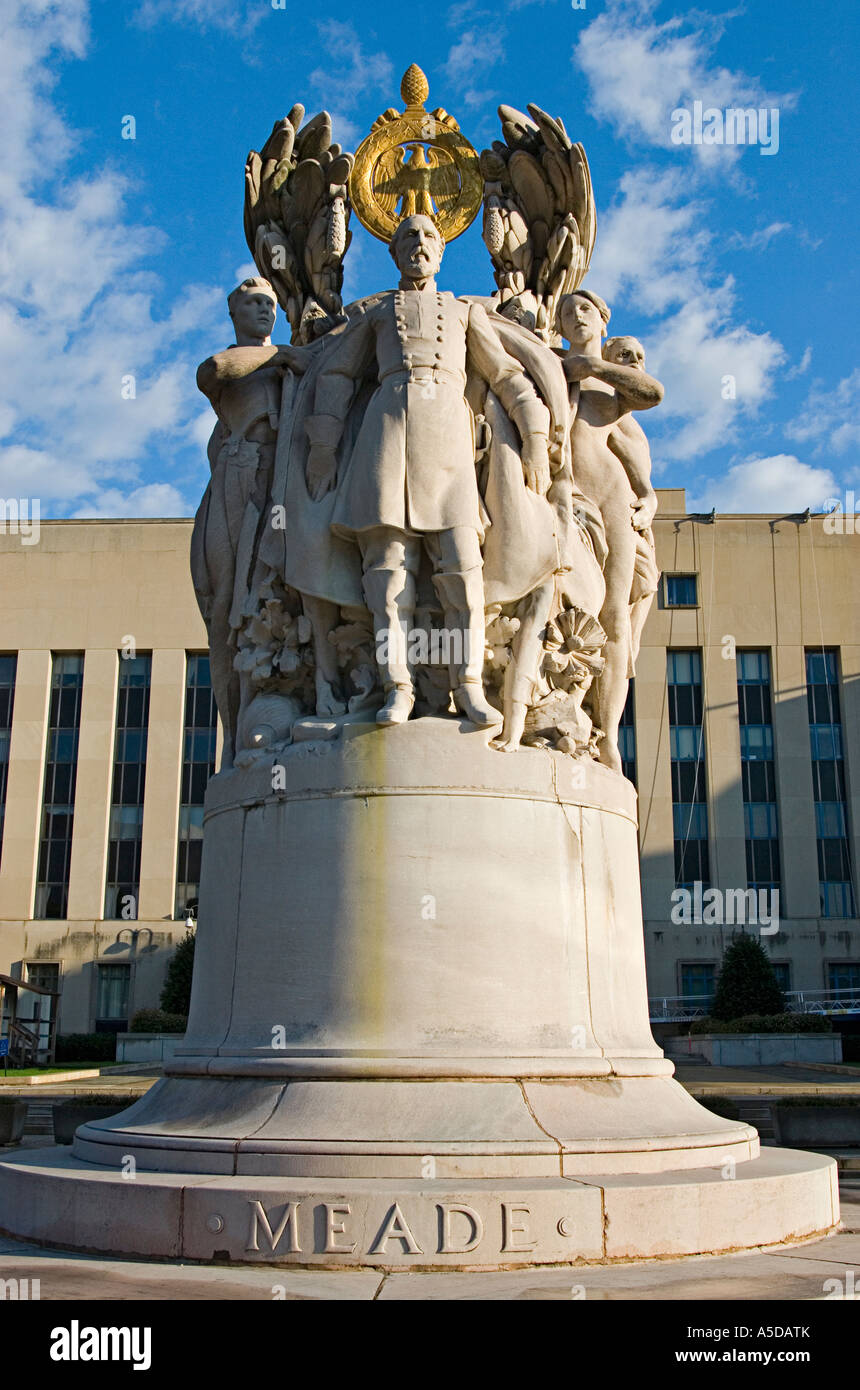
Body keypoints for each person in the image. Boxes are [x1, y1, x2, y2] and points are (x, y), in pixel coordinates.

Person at [301, 213, 553, 727]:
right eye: (408, 237)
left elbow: (506, 374)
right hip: (386, 436)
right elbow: (337, 372)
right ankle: (398, 686)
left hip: (449, 441)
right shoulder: (376, 313)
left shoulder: (462, 313)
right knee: (388, 574)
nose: (419, 243)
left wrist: (537, 440)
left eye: (429, 236)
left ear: (442, 252)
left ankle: (469, 687)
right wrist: (323, 446)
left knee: (463, 570)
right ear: (393, 254)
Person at [191, 278, 305, 762]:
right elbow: (214, 369)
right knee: (225, 607)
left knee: (269, 595)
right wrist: (281, 354)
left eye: (271, 305)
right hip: (239, 480)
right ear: (233, 311)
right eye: (254, 303)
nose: (264, 310)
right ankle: (234, 727)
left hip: (281, 485)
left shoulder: (289, 364)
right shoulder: (252, 361)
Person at [560, 291, 663, 772]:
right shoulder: (552, 365)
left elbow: (652, 394)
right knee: (565, 605)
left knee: (614, 615)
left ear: (602, 320)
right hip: (566, 503)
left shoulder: (610, 390)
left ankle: (609, 736)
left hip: (613, 505)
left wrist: (593, 367)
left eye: (584, 308)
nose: (574, 315)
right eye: (566, 311)